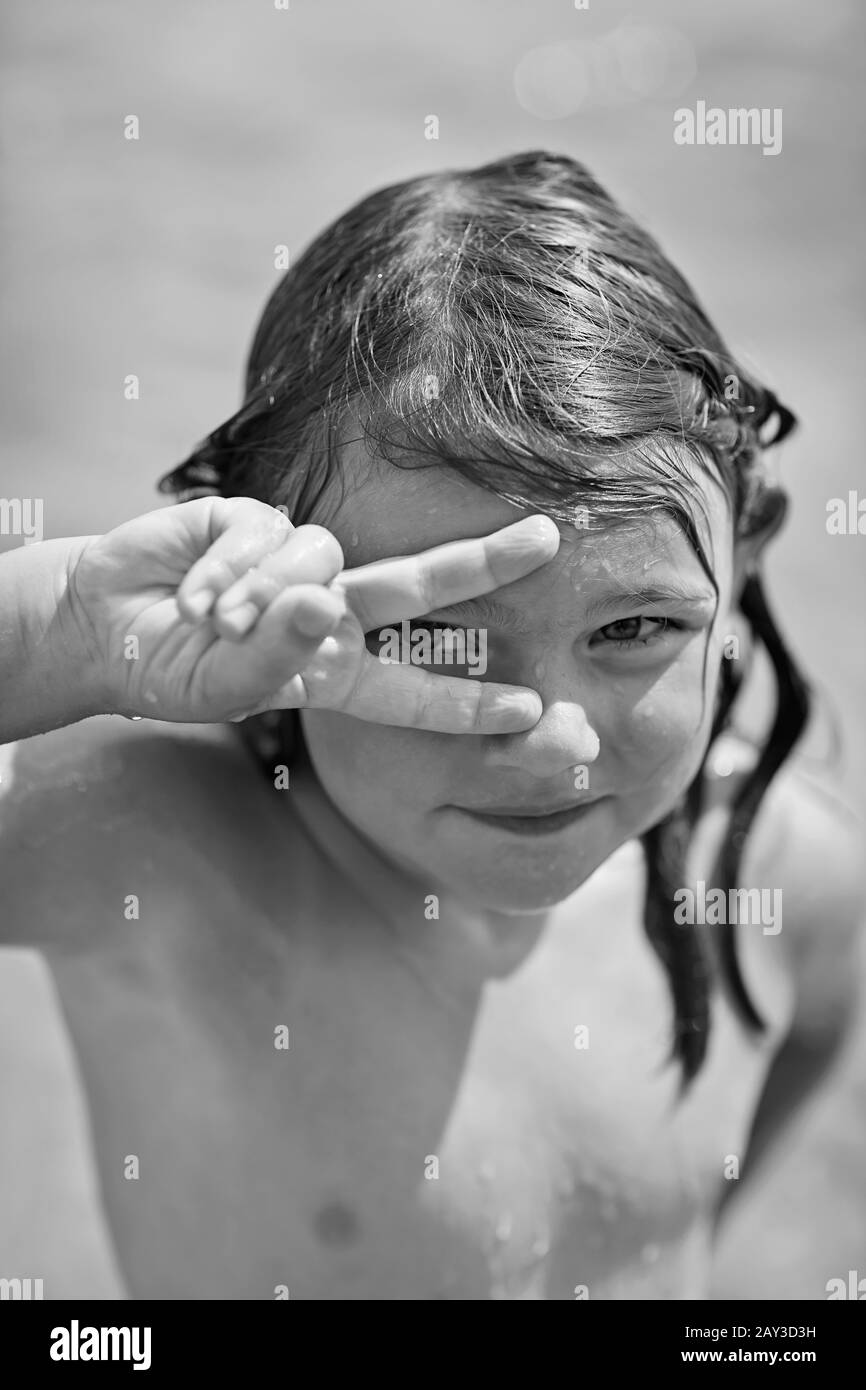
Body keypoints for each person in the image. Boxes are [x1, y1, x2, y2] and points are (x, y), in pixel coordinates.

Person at [0, 149, 861, 1300]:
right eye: (434, 639)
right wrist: (61, 630)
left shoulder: (775, 876)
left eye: (632, 627)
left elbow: (785, 1073)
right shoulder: (157, 856)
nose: (553, 742)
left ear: (742, 559)